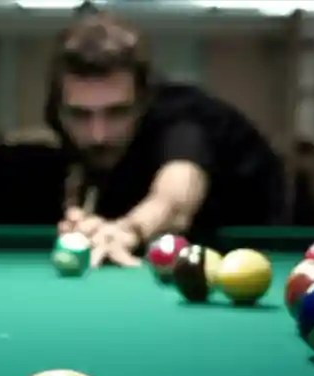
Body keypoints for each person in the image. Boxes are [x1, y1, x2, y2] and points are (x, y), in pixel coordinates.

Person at [47, 9, 287, 268]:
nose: (98, 135)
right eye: (80, 115)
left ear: (144, 101)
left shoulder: (181, 119)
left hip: (252, 246)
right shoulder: (63, 118)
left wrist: (129, 230)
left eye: (117, 112)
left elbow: (175, 195)